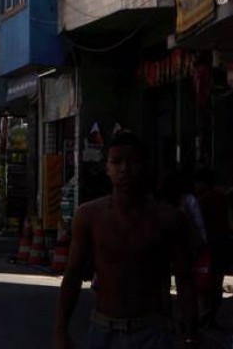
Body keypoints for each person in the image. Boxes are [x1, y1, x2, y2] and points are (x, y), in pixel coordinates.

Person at [55, 131, 198, 349]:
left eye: (133, 161)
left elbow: (185, 279)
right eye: (117, 162)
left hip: (152, 331)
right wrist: (61, 332)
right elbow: (73, 274)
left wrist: (190, 336)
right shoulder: (89, 216)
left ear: (146, 166)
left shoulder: (168, 219)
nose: (125, 169)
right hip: (103, 330)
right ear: (107, 168)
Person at [194, 169, 229, 325]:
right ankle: (211, 315)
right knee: (215, 282)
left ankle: (206, 314)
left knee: (204, 281)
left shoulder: (202, 201)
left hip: (207, 246)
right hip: (221, 243)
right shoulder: (221, 198)